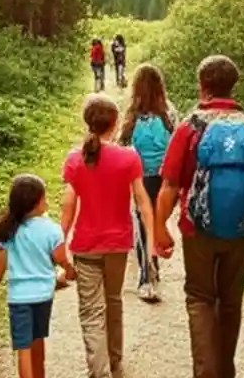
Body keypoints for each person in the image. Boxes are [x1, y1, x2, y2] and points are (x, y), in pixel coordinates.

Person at [154, 55, 244, 378]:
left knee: (199, 297)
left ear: (202, 86)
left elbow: (169, 183)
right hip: (241, 230)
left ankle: (206, 372)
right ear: (232, 85)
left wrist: (159, 228)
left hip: (197, 230)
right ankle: (226, 370)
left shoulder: (190, 127)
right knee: (230, 301)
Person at [61, 94, 157, 378]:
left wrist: (59, 242)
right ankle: (115, 361)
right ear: (114, 124)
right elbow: (142, 201)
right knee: (113, 300)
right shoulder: (129, 157)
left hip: (85, 246)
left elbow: (68, 204)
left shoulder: (74, 159)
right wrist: (150, 240)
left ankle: (99, 369)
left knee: (91, 310)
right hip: (118, 245)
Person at [0, 174, 77, 378]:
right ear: (36, 202)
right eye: (44, 198)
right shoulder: (51, 230)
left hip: (19, 298)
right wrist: (69, 270)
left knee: (23, 347)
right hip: (43, 296)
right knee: (37, 340)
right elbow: (60, 258)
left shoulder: (9, 231)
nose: (47, 202)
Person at [117, 64, 178, 302]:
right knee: (157, 218)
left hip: (139, 176)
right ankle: (151, 265)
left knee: (143, 222)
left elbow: (122, 144)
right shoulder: (168, 112)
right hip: (164, 177)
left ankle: (146, 275)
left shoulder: (132, 114)